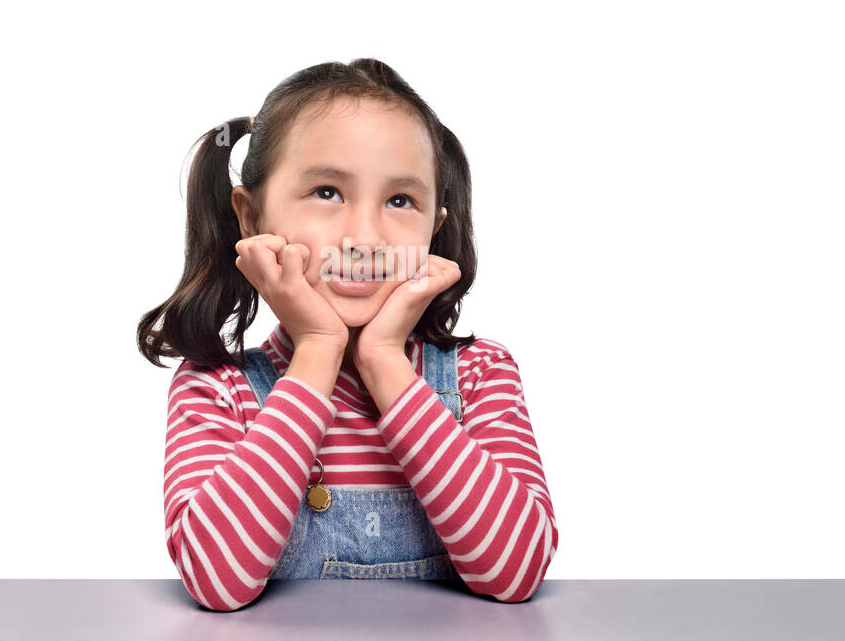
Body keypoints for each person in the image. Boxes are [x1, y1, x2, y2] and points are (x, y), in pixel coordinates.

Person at [137, 58, 557, 611]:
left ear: (435, 229)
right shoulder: (216, 390)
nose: (364, 237)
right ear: (250, 216)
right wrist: (317, 348)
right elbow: (217, 583)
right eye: (328, 192)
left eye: (400, 201)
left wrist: (385, 359)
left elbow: (516, 572)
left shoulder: (481, 375)